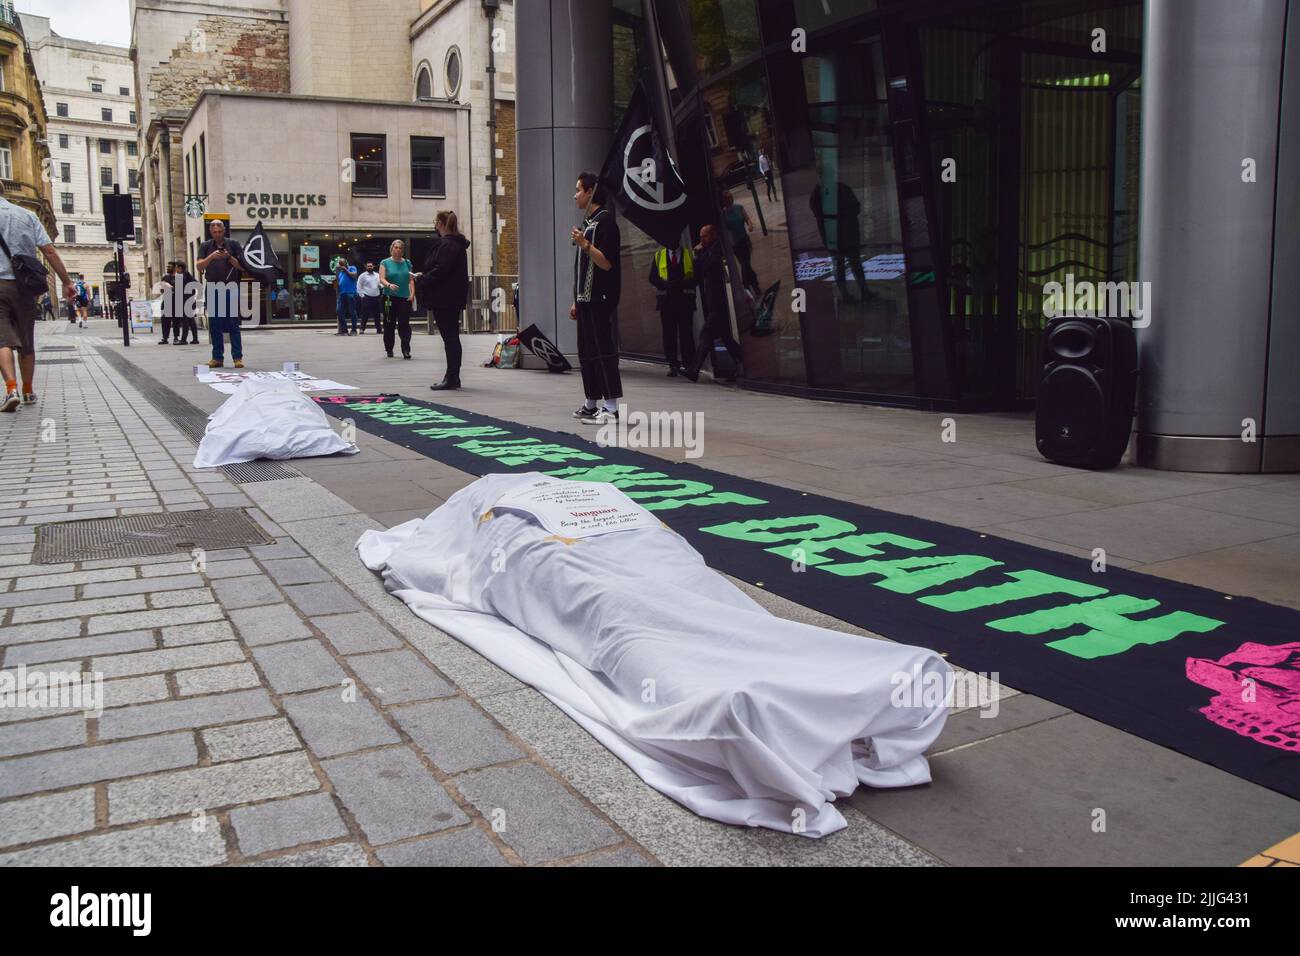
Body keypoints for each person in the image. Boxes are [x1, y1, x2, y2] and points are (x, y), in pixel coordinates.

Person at [0, 183, 76, 411]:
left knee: (2, 340)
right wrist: (66, 281)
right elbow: (48, 250)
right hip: (25, 286)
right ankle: (28, 391)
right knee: (26, 339)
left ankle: (11, 389)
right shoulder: (27, 215)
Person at [569, 171, 622, 424]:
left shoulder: (606, 223)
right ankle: (591, 402)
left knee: (603, 350)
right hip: (585, 299)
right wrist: (575, 300)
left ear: (591, 192)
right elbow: (581, 268)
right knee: (586, 351)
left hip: (600, 298)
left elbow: (607, 263)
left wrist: (586, 246)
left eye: (579, 190)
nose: (575, 195)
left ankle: (611, 407)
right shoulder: (588, 224)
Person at [420, 211, 470, 391]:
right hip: (451, 297)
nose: (434, 225)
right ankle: (452, 376)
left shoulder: (448, 245)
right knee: (451, 337)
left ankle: (452, 377)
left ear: (441, 224)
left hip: (445, 297)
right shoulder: (456, 245)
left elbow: (440, 270)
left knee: (450, 338)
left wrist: (423, 279)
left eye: (435, 222)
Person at [691, 224, 743, 382]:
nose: (701, 239)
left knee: (706, 335)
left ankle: (694, 370)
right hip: (713, 300)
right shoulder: (708, 250)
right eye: (700, 236)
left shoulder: (717, 248)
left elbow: (709, 266)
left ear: (713, 235)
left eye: (704, 236)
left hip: (719, 302)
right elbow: (699, 273)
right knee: (725, 338)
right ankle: (744, 361)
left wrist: (699, 254)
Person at [810, 180, 872, 303]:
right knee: (853, 264)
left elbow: (817, 213)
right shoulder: (841, 189)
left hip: (835, 236)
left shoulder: (818, 193)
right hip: (846, 235)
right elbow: (856, 208)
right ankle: (861, 292)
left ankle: (847, 295)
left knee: (841, 265)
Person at [196, 220, 246, 368]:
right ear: (211, 232)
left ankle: (237, 357)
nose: (217, 234)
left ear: (224, 231)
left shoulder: (234, 244)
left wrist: (229, 257)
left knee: (232, 323)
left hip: (230, 286)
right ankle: (217, 358)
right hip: (212, 286)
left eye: (220, 231)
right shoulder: (205, 246)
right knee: (215, 323)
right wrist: (212, 257)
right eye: (214, 232)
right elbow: (199, 266)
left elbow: (242, 266)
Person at [648, 240, 696, 378]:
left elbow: (697, 276)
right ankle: (673, 364)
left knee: (686, 333)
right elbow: (652, 277)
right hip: (667, 301)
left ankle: (688, 363)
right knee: (669, 334)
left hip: (685, 300)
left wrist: (682, 283)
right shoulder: (659, 256)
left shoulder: (689, 255)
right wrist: (664, 284)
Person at [379, 240, 414, 359]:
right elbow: (381, 279)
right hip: (389, 297)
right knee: (389, 323)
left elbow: (410, 279)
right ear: (392, 248)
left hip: (404, 297)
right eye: (396, 247)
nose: (398, 250)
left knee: (404, 323)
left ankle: (406, 349)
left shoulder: (407, 263)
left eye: (400, 248)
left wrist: (412, 294)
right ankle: (389, 348)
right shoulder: (385, 262)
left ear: (403, 250)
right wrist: (389, 285)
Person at [720, 190, 759, 296]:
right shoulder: (723, 214)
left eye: (731, 197)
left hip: (744, 240)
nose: (730, 199)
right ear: (724, 201)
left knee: (745, 264)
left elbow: (747, 218)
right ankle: (753, 285)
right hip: (735, 244)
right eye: (728, 198)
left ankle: (747, 286)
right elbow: (724, 230)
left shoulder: (739, 207)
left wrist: (750, 225)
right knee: (745, 265)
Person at [172, 260, 199, 344]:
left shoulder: (181, 276)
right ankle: (195, 339)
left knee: (185, 321)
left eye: (176, 267)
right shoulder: (188, 275)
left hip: (184, 301)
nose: (175, 269)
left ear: (180, 268)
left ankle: (183, 340)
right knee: (191, 320)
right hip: (190, 300)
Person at [335, 257, 359, 335]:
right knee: (339, 311)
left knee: (352, 311)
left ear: (346, 263)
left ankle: (354, 330)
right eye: (340, 264)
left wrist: (345, 269)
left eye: (342, 263)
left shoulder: (352, 268)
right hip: (342, 294)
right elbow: (338, 284)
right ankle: (344, 330)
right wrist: (337, 272)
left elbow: (354, 275)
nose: (341, 265)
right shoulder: (340, 272)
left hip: (351, 293)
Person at [356, 261, 381, 334]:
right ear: (366, 267)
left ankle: (379, 329)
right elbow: (358, 286)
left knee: (377, 315)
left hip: (376, 297)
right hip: (367, 297)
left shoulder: (377, 275)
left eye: (371, 266)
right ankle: (362, 329)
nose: (370, 267)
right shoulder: (362, 276)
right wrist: (362, 295)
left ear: (373, 267)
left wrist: (381, 286)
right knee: (365, 314)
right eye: (368, 266)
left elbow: (380, 283)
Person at [158, 261, 176, 344]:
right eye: (167, 267)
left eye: (169, 267)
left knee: (176, 320)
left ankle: (176, 337)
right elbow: (161, 290)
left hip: (176, 301)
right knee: (165, 320)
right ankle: (165, 338)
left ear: (174, 268)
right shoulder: (165, 277)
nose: (168, 268)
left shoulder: (178, 277)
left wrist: (171, 287)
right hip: (166, 301)